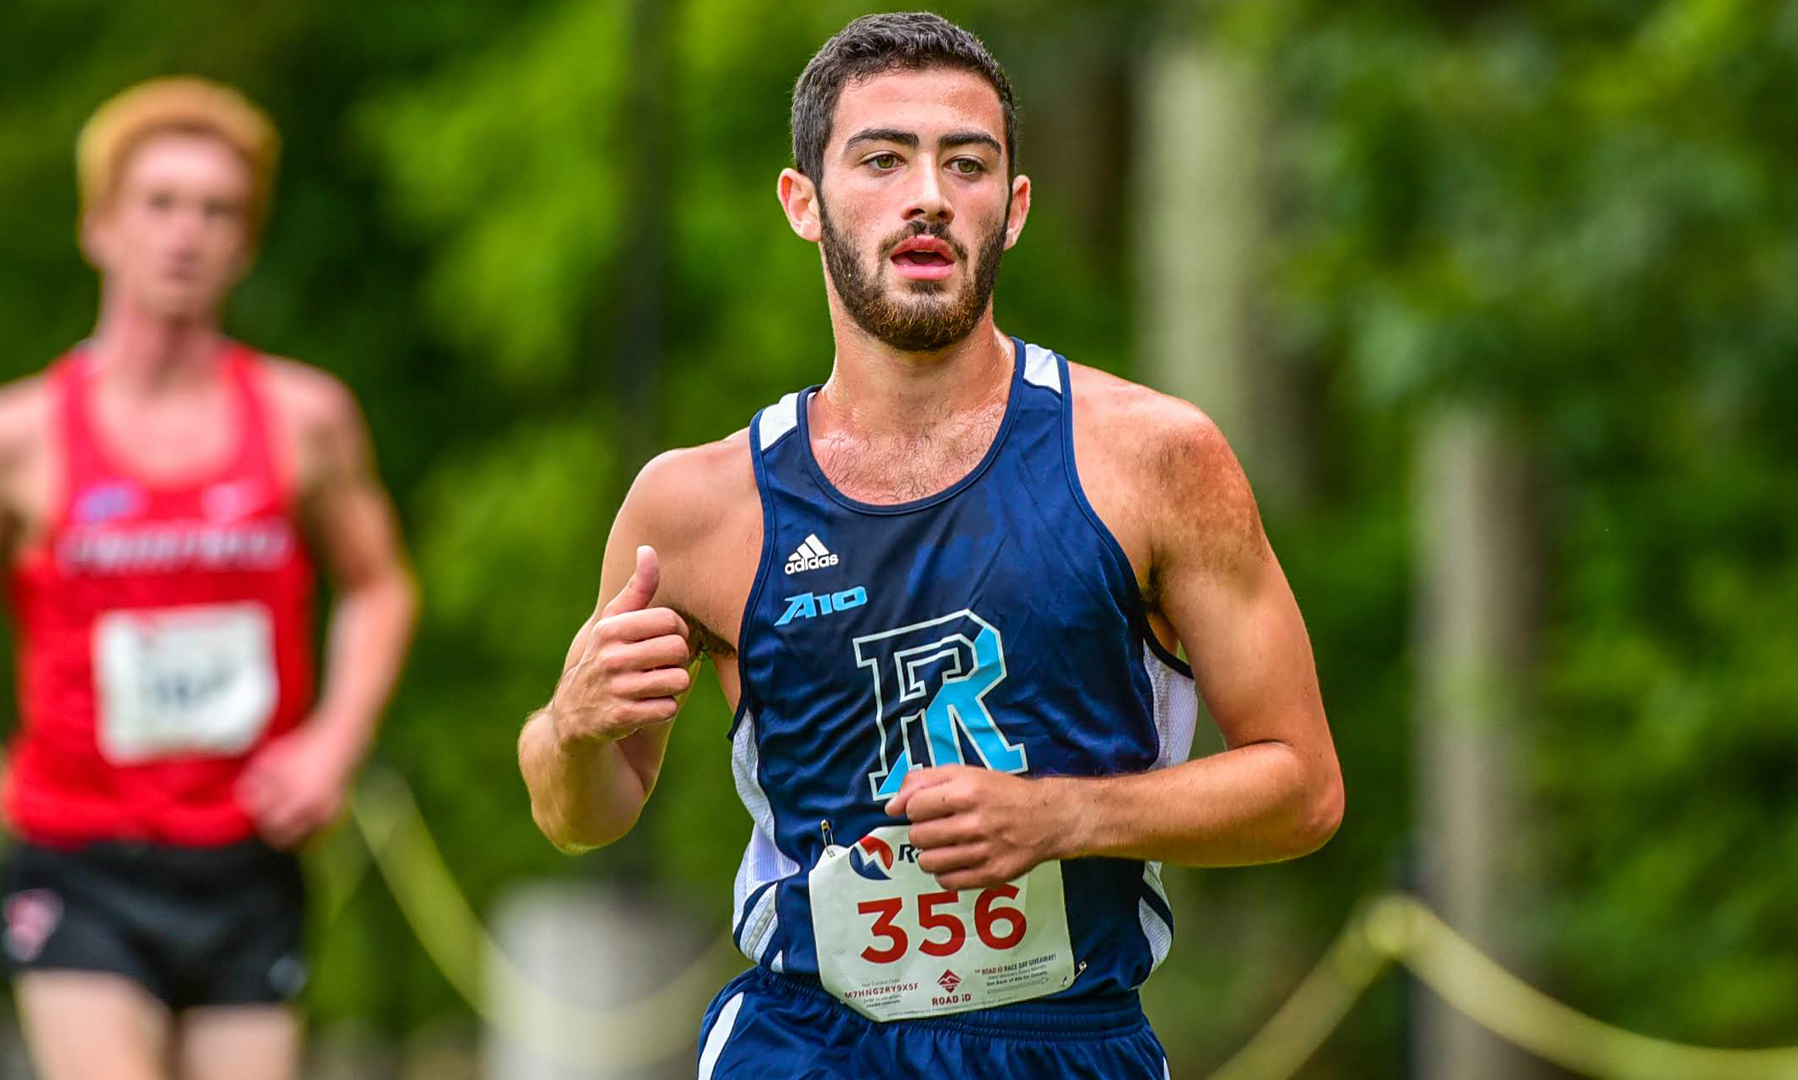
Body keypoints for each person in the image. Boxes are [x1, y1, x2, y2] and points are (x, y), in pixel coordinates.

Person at [518, 12, 1342, 1078]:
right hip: (804, 1042)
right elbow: (579, 817)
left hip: (1067, 1043)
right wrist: (572, 730)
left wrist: (1064, 816)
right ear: (803, 202)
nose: (929, 197)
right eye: (882, 160)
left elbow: (1303, 790)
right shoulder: (696, 507)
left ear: (1015, 208)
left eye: (967, 163)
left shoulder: (1154, 458)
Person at [0, 77, 416, 1080]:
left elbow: (379, 587)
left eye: (217, 210)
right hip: (81, 860)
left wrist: (333, 742)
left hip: (248, 857)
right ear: (100, 227)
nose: (185, 233)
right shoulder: (24, 436)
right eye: (159, 204)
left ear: (245, 243)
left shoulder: (304, 419)